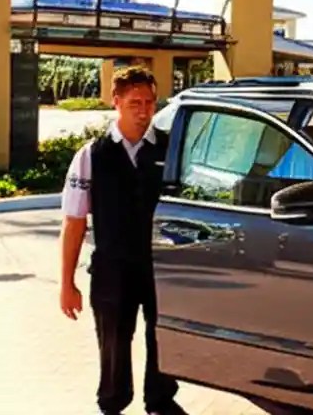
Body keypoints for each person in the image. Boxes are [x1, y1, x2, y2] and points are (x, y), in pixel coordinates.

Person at [59, 65, 186, 415]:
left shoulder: (170, 150)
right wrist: (66, 282)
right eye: (135, 102)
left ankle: (160, 398)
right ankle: (113, 403)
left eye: (150, 102)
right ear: (116, 101)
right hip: (112, 266)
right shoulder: (91, 156)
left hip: (161, 264)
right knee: (113, 341)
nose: (144, 110)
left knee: (161, 335)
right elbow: (73, 222)